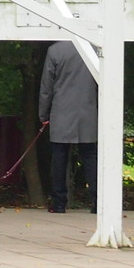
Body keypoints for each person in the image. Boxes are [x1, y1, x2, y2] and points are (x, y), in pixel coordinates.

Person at [38, 39, 98, 214]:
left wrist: (44, 114)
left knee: (59, 157)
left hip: (61, 111)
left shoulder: (55, 51)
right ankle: (97, 201)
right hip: (88, 111)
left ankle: (59, 202)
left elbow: (46, 87)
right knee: (90, 157)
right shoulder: (94, 49)